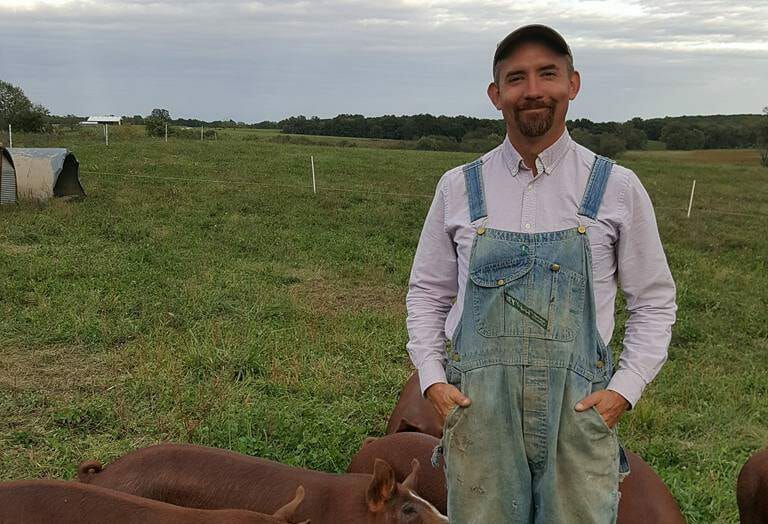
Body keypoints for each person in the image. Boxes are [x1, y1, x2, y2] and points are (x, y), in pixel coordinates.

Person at [405, 24, 677, 523]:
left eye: (547, 74)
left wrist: (624, 390)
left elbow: (654, 301)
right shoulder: (458, 188)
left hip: (577, 421)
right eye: (516, 78)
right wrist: (432, 379)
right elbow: (427, 293)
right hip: (480, 417)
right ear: (496, 95)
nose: (532, 90)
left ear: (573, 84)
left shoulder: (616, 188)